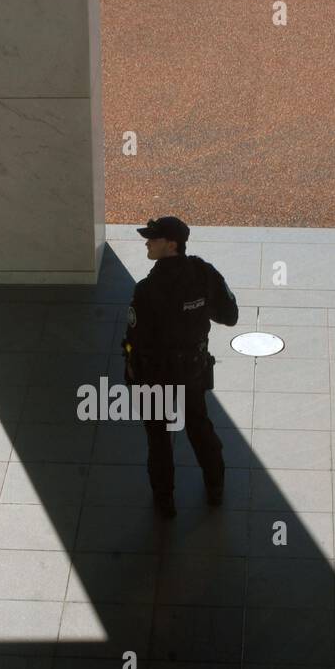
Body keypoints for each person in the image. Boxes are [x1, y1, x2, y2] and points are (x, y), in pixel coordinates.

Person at [123, 216, 238, 518]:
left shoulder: (146, 290)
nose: (147, 242)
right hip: (192, 371)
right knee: (199, 427)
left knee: (158, 438)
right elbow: (230, 315)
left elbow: (135, 340)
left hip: (154, 376)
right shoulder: (203, 274)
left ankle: (165, 502)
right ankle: (215, 488)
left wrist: (131, 374)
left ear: (171, 244)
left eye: (153, 238)